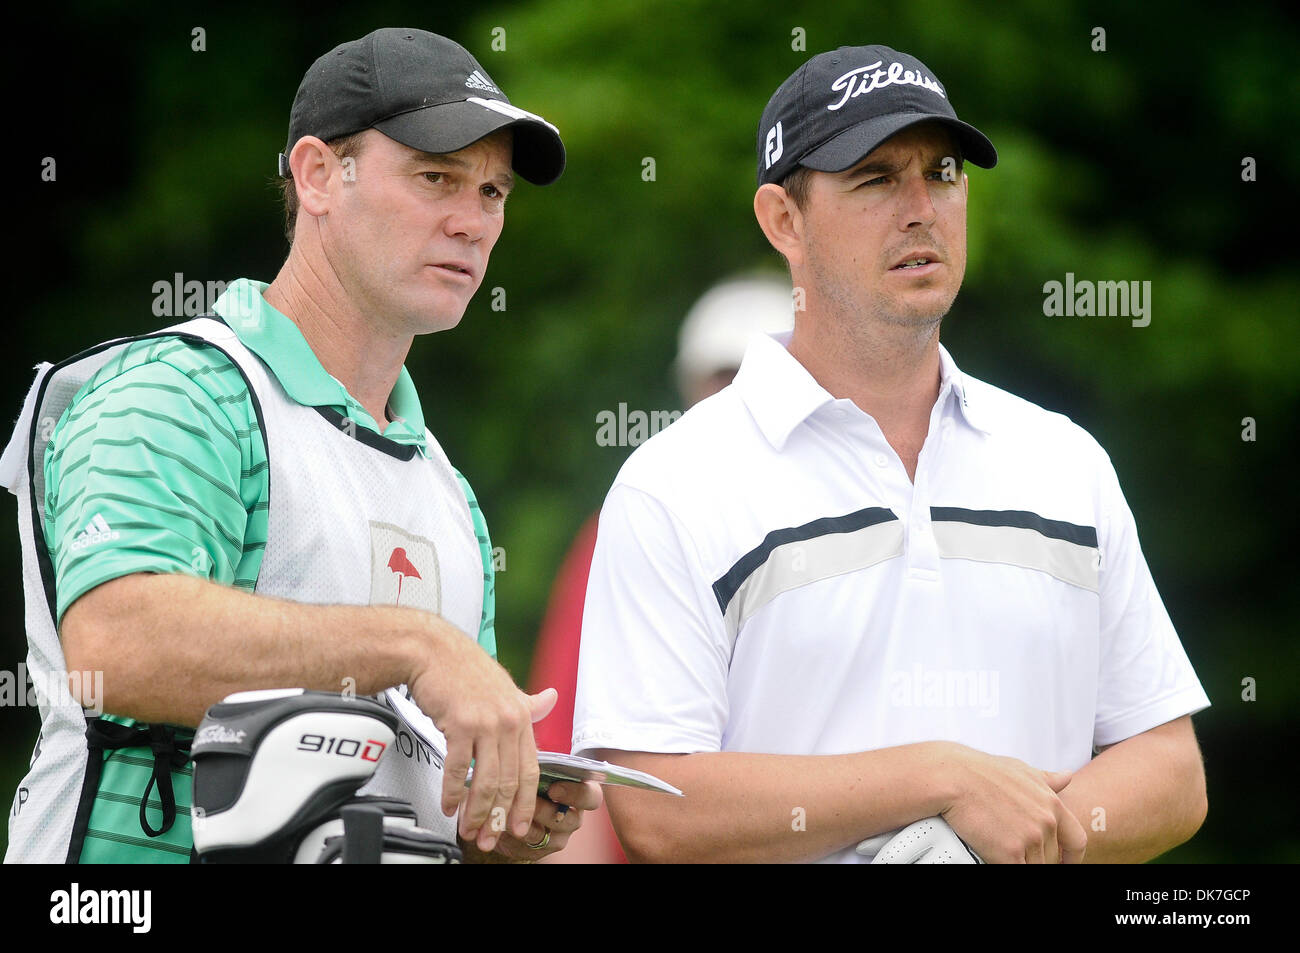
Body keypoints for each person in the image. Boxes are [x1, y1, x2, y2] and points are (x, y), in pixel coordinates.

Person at [572, 44, 1210, 864]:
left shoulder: (1065, 460)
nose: (921, 209)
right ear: (784, 220)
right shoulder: (673, 483)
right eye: (875, 178)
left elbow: (1172, 768)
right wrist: (937, 779)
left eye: (942, 173)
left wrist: (993, 845)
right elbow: (655, 807)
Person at [0, 27, 599, 864]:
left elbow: (429, 788)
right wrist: (416, 646)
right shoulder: (183, 388)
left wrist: (499, 819)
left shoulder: (447, 487)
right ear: (318, 174)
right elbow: (118, 643)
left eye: (493, 192)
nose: (472, 222)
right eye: (436, 177)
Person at [527, 275, 794, 863]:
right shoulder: (634, 521)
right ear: (691, 388)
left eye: (757, 378)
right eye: (722, 378)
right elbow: (575, 756)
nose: (737, 397)